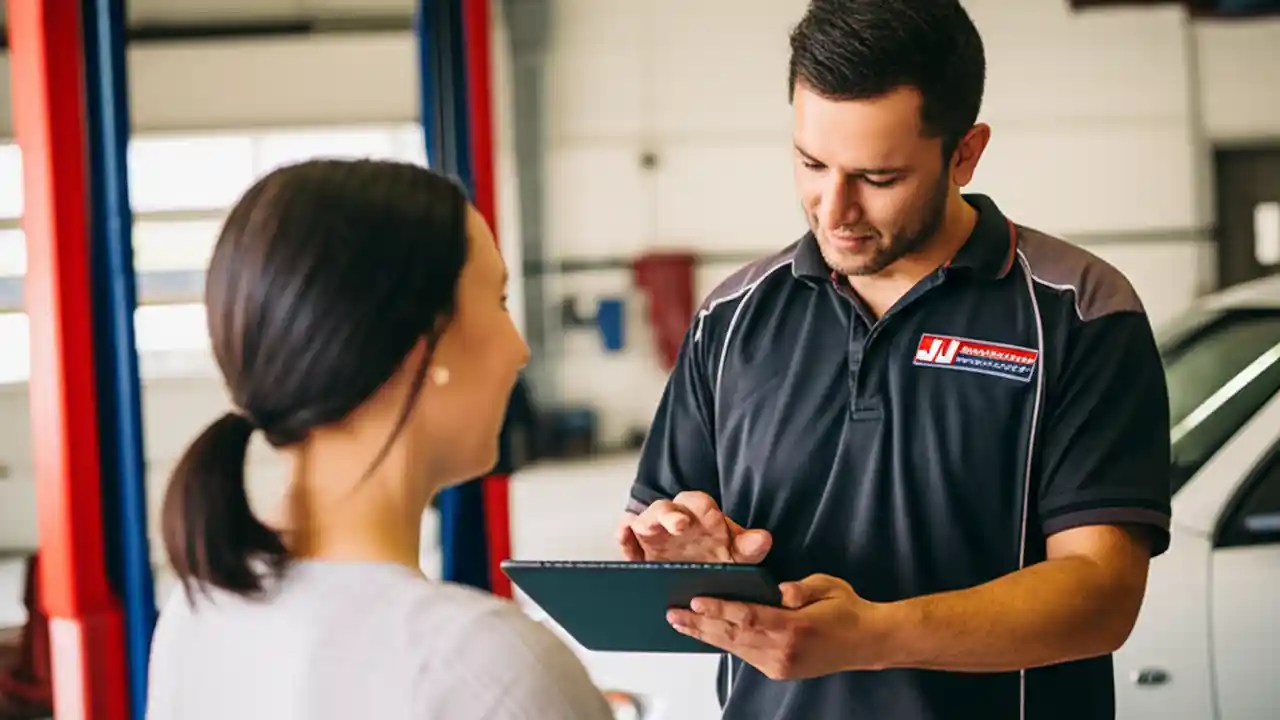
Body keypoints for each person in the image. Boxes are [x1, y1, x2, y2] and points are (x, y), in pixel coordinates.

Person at [618, 1, 1171, 718]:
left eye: (878, 178)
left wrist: (874, 635)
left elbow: (1101, 594)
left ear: (965, 154)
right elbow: (653, 541)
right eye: (811, 162)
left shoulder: (1079, 311)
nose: (834, 208)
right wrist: (684, 552)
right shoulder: (731, 319)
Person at [146, 159, 613, 720]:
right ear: (427, 343)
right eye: (498, 303)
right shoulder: (484, 665)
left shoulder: (199, 611)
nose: (519, 350)